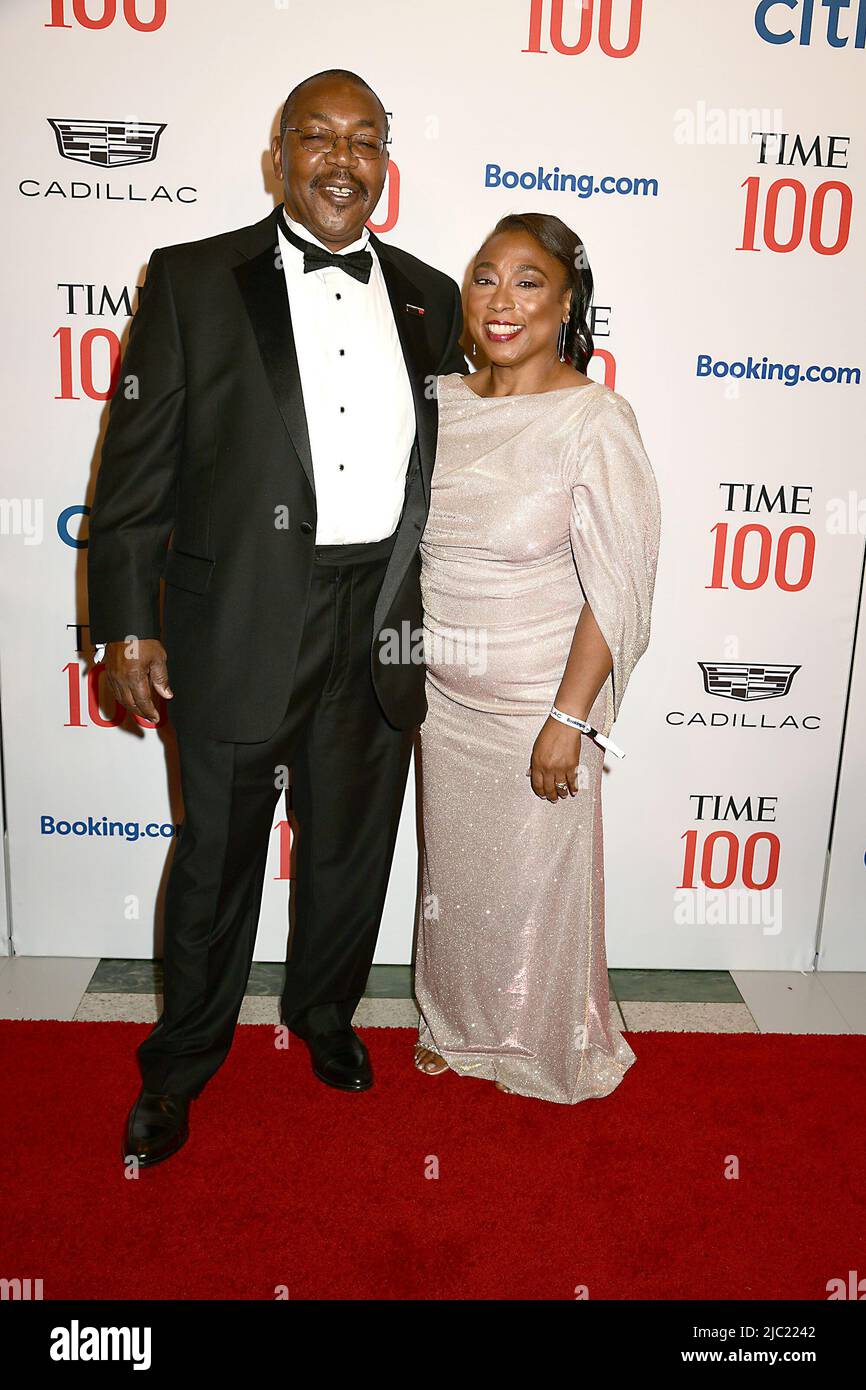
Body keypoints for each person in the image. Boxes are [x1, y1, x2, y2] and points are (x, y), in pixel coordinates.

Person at [87, 68, 466, 1167]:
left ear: (384, 163)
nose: (341, 159)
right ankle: (180, 1065)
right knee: (216, 858)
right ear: (277, 158)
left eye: (364, 140)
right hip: (235, 617)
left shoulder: (427, 297)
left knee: (352, 845)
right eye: (317, 137)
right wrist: (124, 627)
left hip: (379, 616)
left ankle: (325, 1015)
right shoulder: (193, 279)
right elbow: (132, 476)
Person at [412, 213, 661, 1104]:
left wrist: (568, 719)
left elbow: (617, 584)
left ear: (565, 302)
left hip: (538, 703)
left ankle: (542, 1037)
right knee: (458, 883)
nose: (502, 299)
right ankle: (453, 1021)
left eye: (528, 281)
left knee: (537, 891)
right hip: (442, 703)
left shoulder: (594, 418)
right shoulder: (438, 402)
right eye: (485, 276)